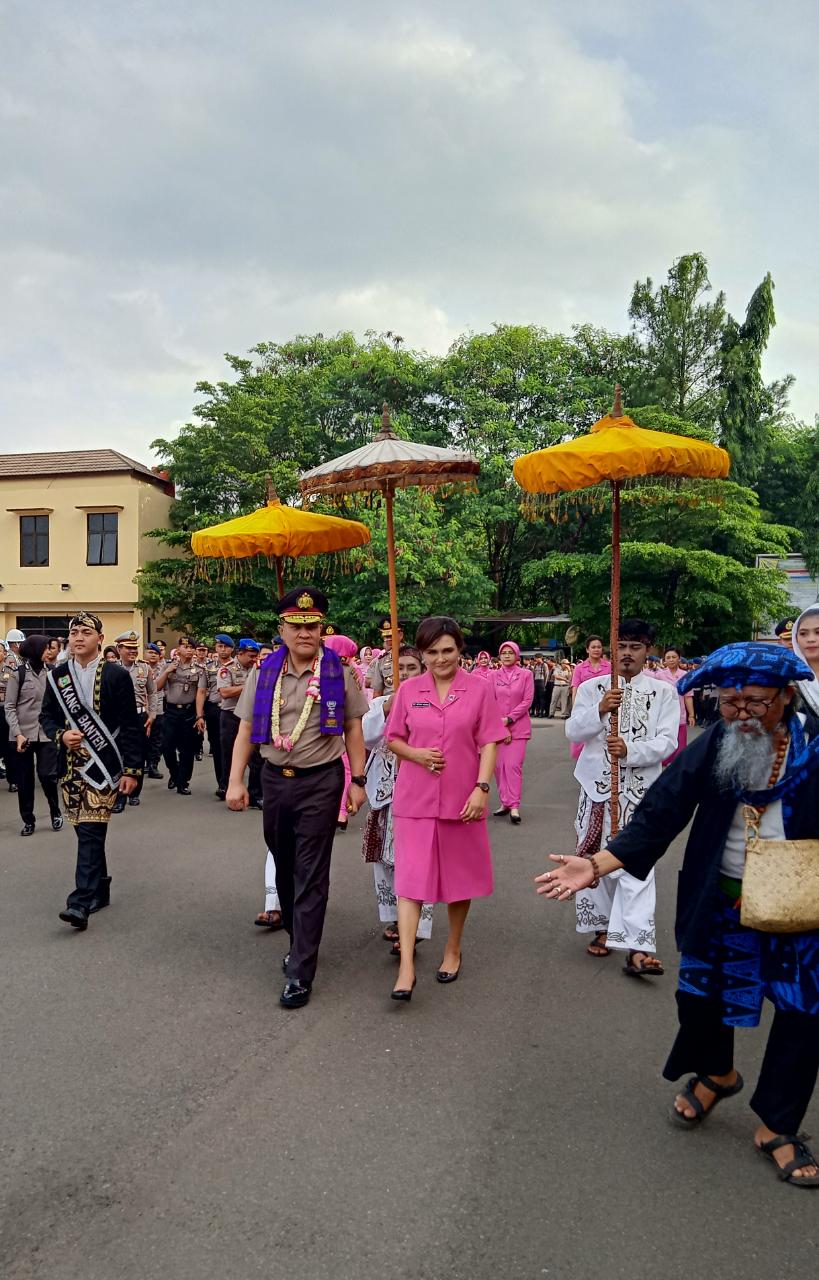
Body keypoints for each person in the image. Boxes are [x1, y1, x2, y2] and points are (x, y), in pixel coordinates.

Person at [537, 641, 819, 1187]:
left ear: (787, 697)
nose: (740, 715)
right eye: (729, 703)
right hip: (720, 895)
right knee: (700, 997)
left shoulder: (816, 748)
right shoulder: (720, 741)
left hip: (800, 902)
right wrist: (597, 864)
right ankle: (718, 1073)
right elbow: (663, 807)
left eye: (755, 704)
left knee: (804, 1014)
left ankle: (778, 1125)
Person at [227, 588, 369, 1008]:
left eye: (312, 625)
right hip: (275, 780)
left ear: (321, 628)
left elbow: (353, 730)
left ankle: (301, 970)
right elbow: (244, 729)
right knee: (284, 866)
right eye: (296, 625)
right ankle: (297, 936)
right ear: (282, 629)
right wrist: (236, 780)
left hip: (321, 783)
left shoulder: (338, 673)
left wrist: (356, 782)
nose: (305, 632)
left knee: (311, 874)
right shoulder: (263, 672)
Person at [385, 616, 507, 1001]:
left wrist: (481, 788)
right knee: (410, 881)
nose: (440, 659)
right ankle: (406, 965)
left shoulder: (479, 689)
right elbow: (393, 738)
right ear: (422, 654)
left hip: (462, 796)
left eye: (448, 651)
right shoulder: (409, 691)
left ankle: (452, 947)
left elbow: (490, 740)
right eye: (432, 652)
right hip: (415, 798)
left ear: (460, 650)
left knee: (458, 879)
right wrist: (417, 754)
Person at [565, 618, 679, 974]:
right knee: (592, 856)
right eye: (622, 647)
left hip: (641, 793)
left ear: (648, 651)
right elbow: (573, 730)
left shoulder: (664, 693)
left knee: (637, 862)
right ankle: (601, 927)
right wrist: (600, 710)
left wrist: (630, 750)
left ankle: (636, 945)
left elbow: (668, 742)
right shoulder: (592, 687)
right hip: (595, 790)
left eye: (636, 647)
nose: (627, 654)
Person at [39, 612, 143, 929]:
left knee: (90, 832)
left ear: (100, 638)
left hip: (104, 769)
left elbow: (130, 726)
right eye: (74, 632)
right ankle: (101, 887)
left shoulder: (115, 675)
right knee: (86, 832)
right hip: (71, 769)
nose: (78, 637)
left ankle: (80, 903)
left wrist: (132, 770)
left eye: (86, 631)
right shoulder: (58, 676)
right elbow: (47, 717)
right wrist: (61, 735)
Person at [362, 645, 434, 953]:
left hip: (419, 790)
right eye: (399, 668)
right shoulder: (381, 702)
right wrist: (387, 708)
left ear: (423, 670)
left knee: (415, 858)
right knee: (385, 857)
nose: (404, 673)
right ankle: (395, 916)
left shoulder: (433, 700)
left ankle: (417, 925)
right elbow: (364, 735)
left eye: (411, 668)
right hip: (383, 789)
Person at [5, 635, 63, 836]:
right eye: (45, 648)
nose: (49, 651)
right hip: (23, 736)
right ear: (34, 651)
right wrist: (17, 734)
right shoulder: (17, 674)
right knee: (25, 780)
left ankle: (55, 811)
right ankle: (28, 819)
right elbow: (10, 707)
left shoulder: (54, 673)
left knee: (47, 776)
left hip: (47, 734)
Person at [155, 636, 207, 794]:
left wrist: (199, 716)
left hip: (189, 711)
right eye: (186, 647)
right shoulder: (169, 666)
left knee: (187, 749)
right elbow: (157, 686)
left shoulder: (199, 669)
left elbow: (200, 693)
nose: (189, 650)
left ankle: (183, 782)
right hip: (170, 710)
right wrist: (167, 672)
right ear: (178, 650)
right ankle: (174, 773)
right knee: (166, 746)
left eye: (192, 647)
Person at [112, 630, 156, 811]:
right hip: (118, 717)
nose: (132, 651)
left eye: (135, 648)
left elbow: (153, 692)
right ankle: (120, 796)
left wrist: (152, 714)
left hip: (139, 716)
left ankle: (135, 792)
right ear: (119, 649)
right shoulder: (111, 668)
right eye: (128, 648)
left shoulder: (144, 668)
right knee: (119, 755)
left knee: (138, 754)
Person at [491, 641, 534, 825]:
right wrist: (500, 726)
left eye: (511, 652)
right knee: (499, 768)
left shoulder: (526, 674)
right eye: (504, 652)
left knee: (513, 766)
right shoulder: (493, 676)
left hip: (519, 728)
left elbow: (527, 700)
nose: (507, 655)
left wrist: (509, 719)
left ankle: (514, 806)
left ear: (517, 655)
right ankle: (505, 802)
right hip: (496, 728)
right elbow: (490, 701)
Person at [217, 638, 260, 801]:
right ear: (240, 654)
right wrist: (248, 687)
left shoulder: (257, 668)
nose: (254, 659)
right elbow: (225, 692)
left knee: (256, 757)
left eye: (256, 656)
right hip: (231, 716)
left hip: (250, 717)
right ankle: (228, 788)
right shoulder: (227, 669)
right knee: (228, 754)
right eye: (250, 655)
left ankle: (255, 794)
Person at [650, 646, 696, 764]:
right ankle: (664, 763)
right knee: (665, 739)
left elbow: (688, 696)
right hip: (664, 714)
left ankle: (678, 765)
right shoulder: (659, 676)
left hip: (680, 714)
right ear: (664, 660)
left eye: (674, 657)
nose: (671, 660)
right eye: (668, 657)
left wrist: (691, 715)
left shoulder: (685, 675)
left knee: (680, 743)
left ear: (679, 658)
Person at [792, 606, 819, 732]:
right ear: (796, 638)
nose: (811, 639)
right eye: (803, 634)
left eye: (818, 632)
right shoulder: (790, 679)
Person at [368, 617, 408, 695]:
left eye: (390, 636)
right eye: (385, 637)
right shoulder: (381, 660)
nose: (388, 639)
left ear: (400, 635)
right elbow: (377, 692)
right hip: (389, 702)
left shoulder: (414, 656)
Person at [143, 643, 165, 778]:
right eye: (150, 652)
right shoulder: (139, 667)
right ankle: (143, 764)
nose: (152, 655)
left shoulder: (164, 668)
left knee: (156, 739)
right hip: (141, 708)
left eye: (155, 653)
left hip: (158, 707)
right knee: (142, 738)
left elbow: (158, 687)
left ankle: (153, 765)